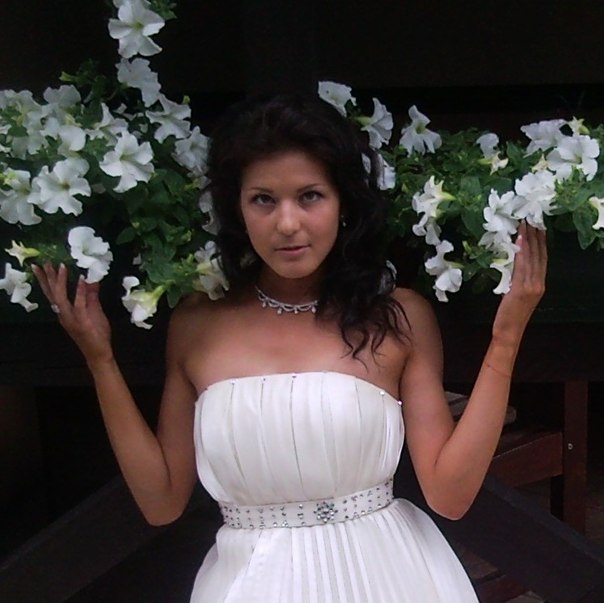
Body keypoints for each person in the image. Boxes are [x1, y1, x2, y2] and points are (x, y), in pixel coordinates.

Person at [33, 94, 547, 602]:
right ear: (237, 209)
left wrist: (506, 340)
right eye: (263, 199)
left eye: (310, 196)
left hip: (386, 579)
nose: (287, 223)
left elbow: (450, 495)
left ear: (343, 203)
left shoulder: (396, 317)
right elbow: (161, 501)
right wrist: (100, 359)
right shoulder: (196, 323)